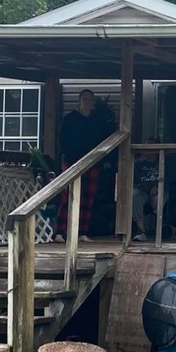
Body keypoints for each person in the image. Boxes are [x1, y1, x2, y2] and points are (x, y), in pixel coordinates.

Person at [56, 89, 113, 242]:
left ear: (93, 102)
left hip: (92, 163)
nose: (87, 102)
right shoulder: (70, 119)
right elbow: (62, 140)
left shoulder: (97, 120)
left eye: (90, 99)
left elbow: (103, 140)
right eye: (85, 99)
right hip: (72, 162)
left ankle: (82, 232)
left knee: (88, 198)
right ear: (79, 101)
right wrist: (66, 158)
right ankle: (60, 232)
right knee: (68, 196)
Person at [132, 142, 166, 242]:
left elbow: (169, 178)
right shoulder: (139, 163)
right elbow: (134, 179)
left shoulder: (163, 161)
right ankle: (141, 231)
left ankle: (160, 229)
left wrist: (158, 186)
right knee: (134, 195)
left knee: (158, 199)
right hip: (143, 191)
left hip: (159, 190)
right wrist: (137, 163)